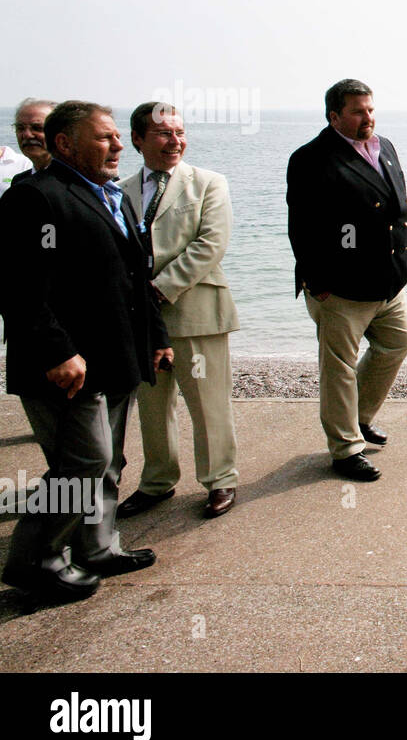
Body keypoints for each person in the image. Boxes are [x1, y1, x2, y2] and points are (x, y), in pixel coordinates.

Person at [0, 101, 172, 601]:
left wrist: (156, 337)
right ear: (64, 144)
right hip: (64, 368)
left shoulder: (110, 195)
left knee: (108, 460)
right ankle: (36, 560)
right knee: (82, 464)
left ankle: (98, 547)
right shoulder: (34, 199)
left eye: (118, 137)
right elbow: (18, 288)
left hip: (115, 357)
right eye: (105, 138)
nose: (119, 145)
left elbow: (136, 276)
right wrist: (56, 352)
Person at [117, 102, 241, 519]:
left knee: (209, 404)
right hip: (142, 320)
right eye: (164, 133)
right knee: (152, 407)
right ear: (138, 139)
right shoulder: (121, 189)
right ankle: (157, 481)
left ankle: (220, 479)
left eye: (180, 132)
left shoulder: (208, 183)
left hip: (197, 311)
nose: (176, 141)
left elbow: (211, 244)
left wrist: (159, 288)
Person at [287, 79, 407, 481]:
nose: (368, 117)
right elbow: (301, 225)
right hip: (340, 287)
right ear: (334, 116)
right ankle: (344, 450)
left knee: (397, 343)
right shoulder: (311, 158)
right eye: (358, 111)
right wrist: (315, 279)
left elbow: (396, 207)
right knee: (339, 366)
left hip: (388, 280)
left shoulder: (385, 147)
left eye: (371, 109)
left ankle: (358, 417)